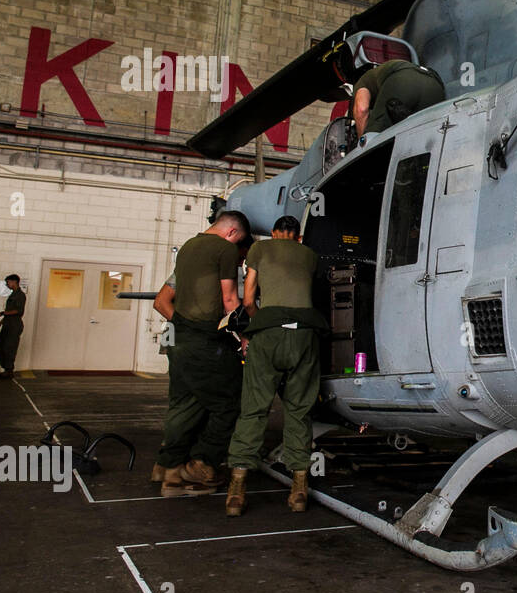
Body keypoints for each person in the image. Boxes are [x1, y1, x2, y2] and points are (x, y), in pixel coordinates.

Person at [225, 215, 327, 516]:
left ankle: (236, 492)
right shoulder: (309, 255)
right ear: (298, 236)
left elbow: (247, 299)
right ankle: (298, 491)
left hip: (269, 334)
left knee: (254, 408)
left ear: (273, 233)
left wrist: (262, 322)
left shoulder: (260, 249)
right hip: (305, 337)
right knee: (299, 410)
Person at [154, 210, 251, 496]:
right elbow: (230, 299)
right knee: (230, 401)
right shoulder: (223, 249)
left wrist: (183, 325)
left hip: (178, 340)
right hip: (206, 341)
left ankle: (169, 471)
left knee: (184, 404)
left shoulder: (187, 247)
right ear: (232, 234)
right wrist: (245, 335)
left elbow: (164, 300)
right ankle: (202, 464)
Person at [351, 59, 444, 144]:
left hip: (403, 81)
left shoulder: (362, 82)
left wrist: (362, 143)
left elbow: (361, 109)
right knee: (425, 140)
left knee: (374, 141)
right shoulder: (381, 71)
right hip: (435, 86)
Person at [0, 274, 26, 379]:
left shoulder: (20, 295)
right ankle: (6, 369)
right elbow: (8, 313)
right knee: (0, 347)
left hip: (14, 326)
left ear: (14, 282)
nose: (7, 285)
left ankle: (9, 370)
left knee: (9, 348)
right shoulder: (12, 295)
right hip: (7, 324)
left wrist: (3, 313)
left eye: (8, 282)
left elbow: (18, 311)